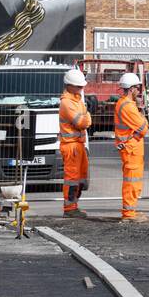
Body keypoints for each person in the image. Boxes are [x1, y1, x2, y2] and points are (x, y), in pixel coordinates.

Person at [114, 72, 149, 222]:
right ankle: (128, 214)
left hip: (131, 148)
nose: (138, 91)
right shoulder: (127, 106)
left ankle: (131, 210)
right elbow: (144, 127)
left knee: (134, 180)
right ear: (131, 88)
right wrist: (142, 118)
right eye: (137, 88)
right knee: (131, 181)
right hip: (131, 148)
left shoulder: (128, 104)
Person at [58, 67, 91, 218]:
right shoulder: (67, 102)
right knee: (72, 178)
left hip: (78, 144)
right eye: (78, 86)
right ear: (69, 86)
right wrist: (86, 118)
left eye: (81, 86)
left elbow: (86, 118)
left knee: (81, 178)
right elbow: (82, 122)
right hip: (71, 146)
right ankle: (70, 208)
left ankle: (74, 206)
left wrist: (86, 118)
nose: (81, 88)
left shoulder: (77, 101)